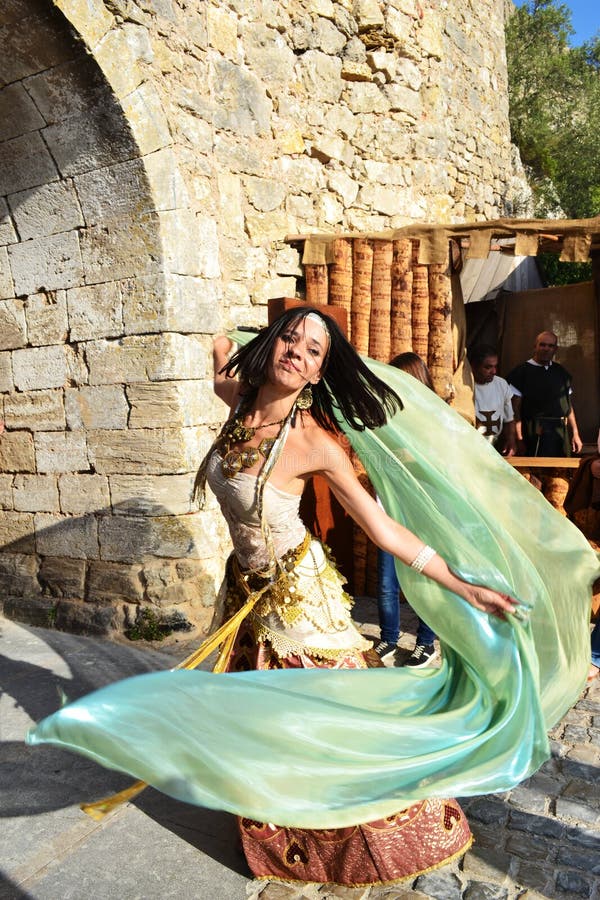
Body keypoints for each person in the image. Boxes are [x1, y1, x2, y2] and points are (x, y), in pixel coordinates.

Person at [198, 307, 516, 885]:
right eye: (290, 338)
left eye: (313, 350)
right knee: (264, 721)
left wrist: (460, 584)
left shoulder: (316, 444)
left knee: (340, 720)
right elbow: (218, 351)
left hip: (300, 600)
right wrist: (221, 330)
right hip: (246, 592)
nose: (297, 351)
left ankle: (386, 833)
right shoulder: (237, 399)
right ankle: (285, 830)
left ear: (319, 372)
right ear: (271, 345)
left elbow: (383, 530)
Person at [372, 352, 438, 667]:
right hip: (389, 508)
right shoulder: (383, 416)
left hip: (425, 513)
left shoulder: (435, 419)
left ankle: (426, 643)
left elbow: (435, 465)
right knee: (387, 580)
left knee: (427, 579)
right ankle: (388, 638)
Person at [507, 331, 582, 457]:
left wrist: (575, 432)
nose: (546, 349)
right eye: (542, 345)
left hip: (560, 432)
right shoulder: (521, 372)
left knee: (560, 472)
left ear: (555, 349)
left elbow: (567, 405)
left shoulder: (560, 372)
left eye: (550, 346)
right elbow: (514, 409)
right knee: (534, 472)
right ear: (535, 346)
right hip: (534, 432)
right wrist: (519, 438)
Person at [469, 344, 517, 457]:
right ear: (473, 366)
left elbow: (509, 419)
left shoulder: (501, 384)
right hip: (470, 446)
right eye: (488, 367)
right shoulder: (464, 386)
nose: (494, 371)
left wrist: (511, 440)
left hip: (495, 446)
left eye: (495, 366)